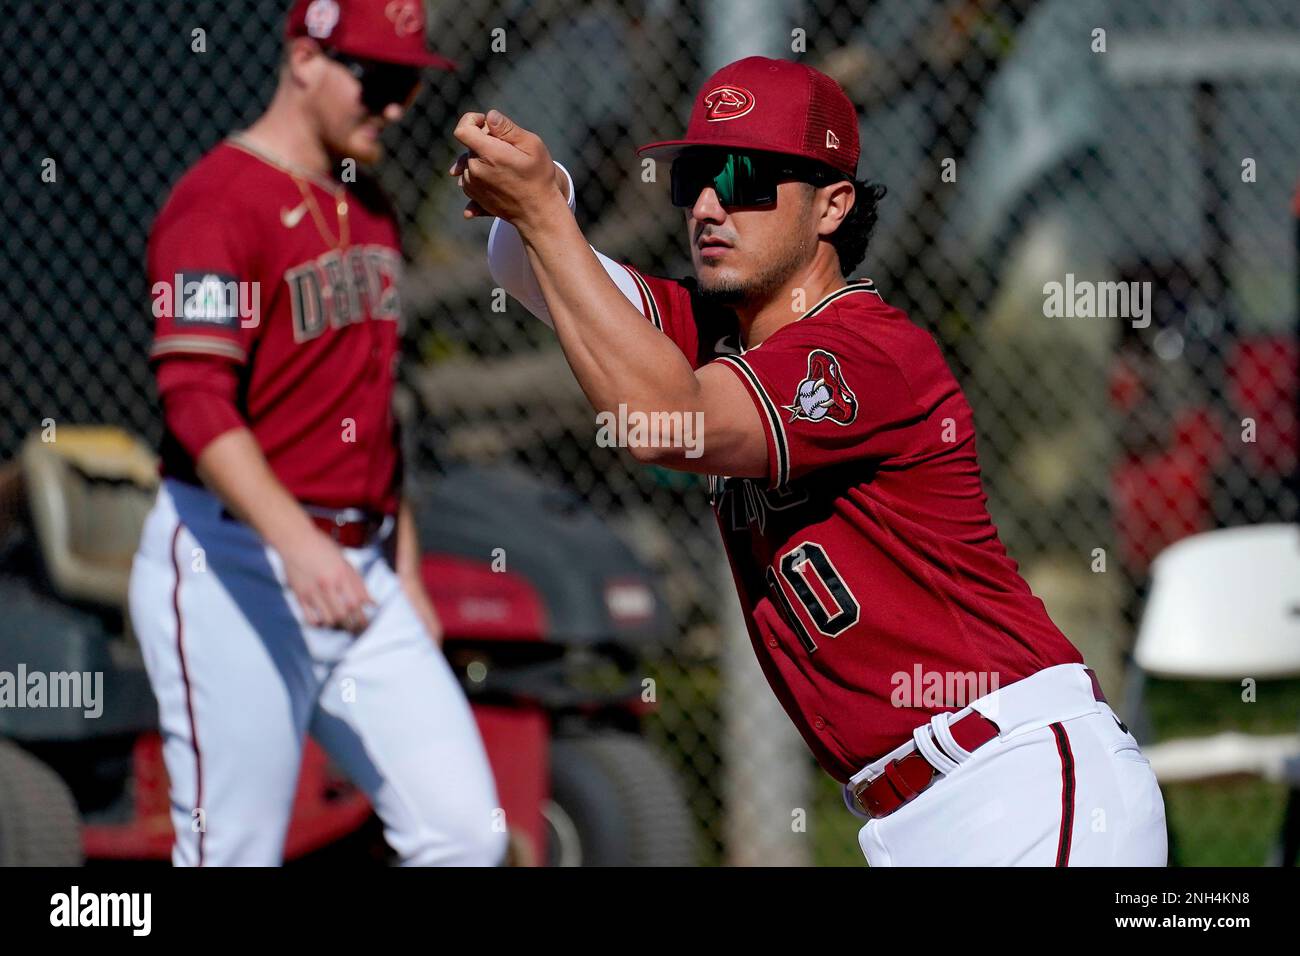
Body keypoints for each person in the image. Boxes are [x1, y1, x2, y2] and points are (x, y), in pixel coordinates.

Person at [453, 56, 1167, 866]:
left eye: (750, 178)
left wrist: (546, 216)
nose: (713, 205)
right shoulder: (719, 330)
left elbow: (662, 422)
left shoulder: (865, 351)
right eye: (696, 177)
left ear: (832, 206)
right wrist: (545, 191)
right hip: (913, 811)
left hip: (1019, 781)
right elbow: (529, 270)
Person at [128, 0, 503, 866]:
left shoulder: (370, 202)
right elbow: (196, 403)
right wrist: (298, 546)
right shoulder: (215, 200)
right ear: (304, 58)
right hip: (232, 567)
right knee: (236, 853)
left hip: (360, 571)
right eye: (378, 79)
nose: (399, 105)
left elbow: (375, 405)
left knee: (461, 835)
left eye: (410, 83)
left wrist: (400, 558)